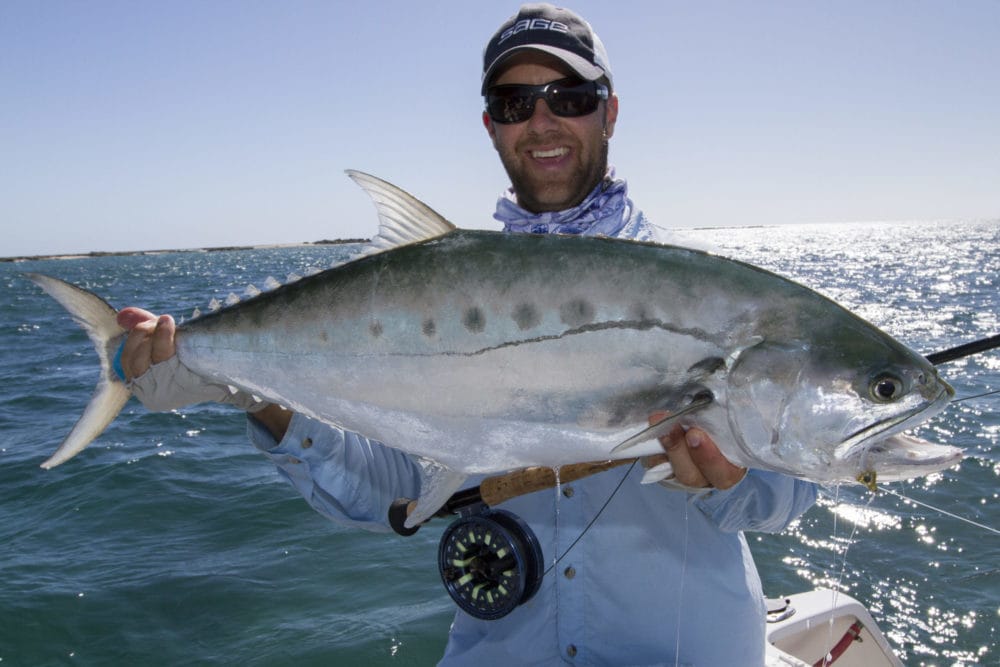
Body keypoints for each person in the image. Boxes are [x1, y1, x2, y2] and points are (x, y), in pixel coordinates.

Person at [117, 4, 817, 664]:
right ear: (490, 126)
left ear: (609, 111)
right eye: (515, 104)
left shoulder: (715, 292)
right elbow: (385, 490)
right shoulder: (434, 296)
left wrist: (730, 479)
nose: (542, 121)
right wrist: (251, 392)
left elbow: (792, 491)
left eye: (570, 97)